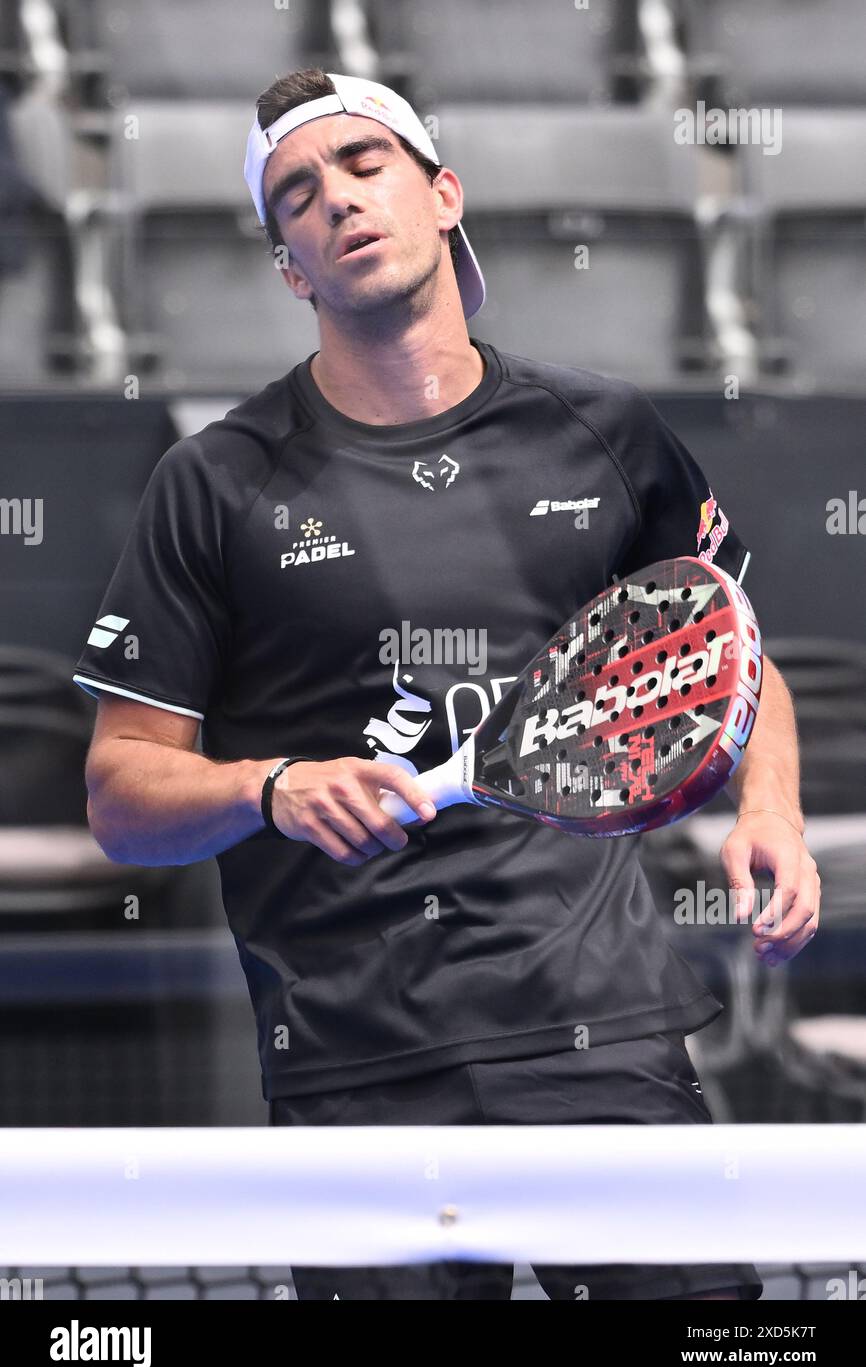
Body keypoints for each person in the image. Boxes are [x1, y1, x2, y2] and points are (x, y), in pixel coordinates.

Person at [75, 69, 819, 1300]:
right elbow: (119, 790)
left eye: (366, 166)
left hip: (597, 1031)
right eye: (298, 199)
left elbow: (728, 650)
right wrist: (269, 787)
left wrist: (770, 810)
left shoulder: (600, 432)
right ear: (290, 270)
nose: (338, 204)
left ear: (441, 193)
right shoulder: (213, 485)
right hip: (350, 1059)